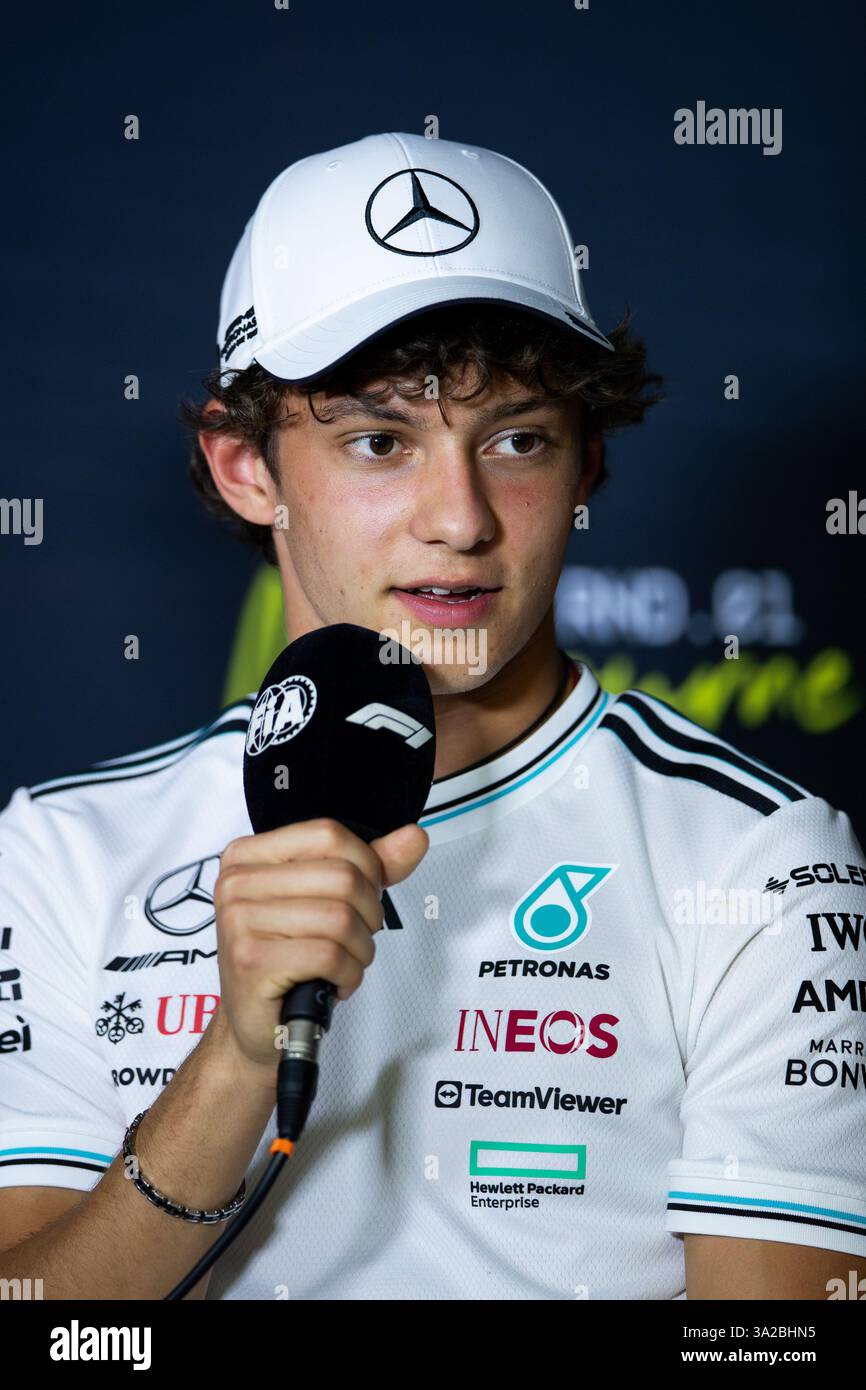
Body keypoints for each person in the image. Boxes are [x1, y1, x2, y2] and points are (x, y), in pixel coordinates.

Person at [0, 131, 863, 1301]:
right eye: (377, 441)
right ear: (246, 466)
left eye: (514, 439)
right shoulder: (55, 849)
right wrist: (237, 1059)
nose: (457, 519)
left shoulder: (758, 857)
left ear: (586, 467)